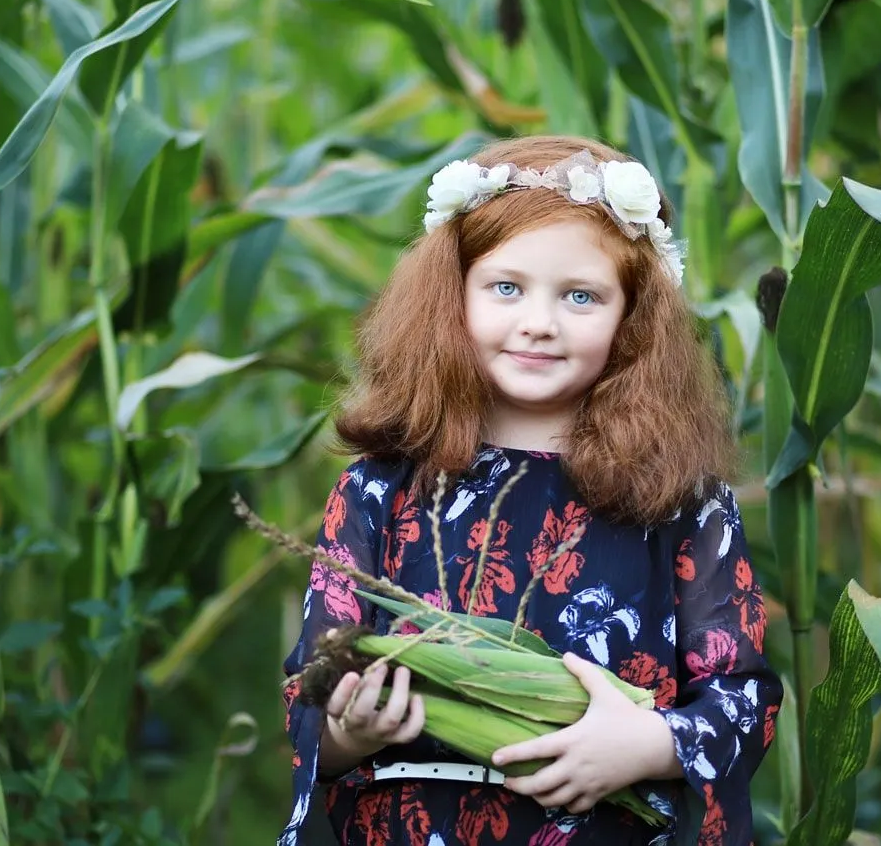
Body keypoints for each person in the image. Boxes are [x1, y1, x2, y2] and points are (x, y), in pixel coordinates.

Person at [277, 135, 783, 846]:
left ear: (633, 318)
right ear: (451, 294)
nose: (539, 323)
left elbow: (745, 701)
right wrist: (349, 729)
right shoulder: (378, 491)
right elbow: (309, 713)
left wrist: (644, 745)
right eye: (506, 287)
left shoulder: (680, 503)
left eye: (581, 295)